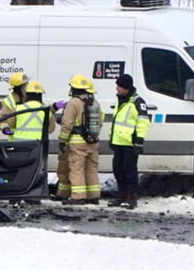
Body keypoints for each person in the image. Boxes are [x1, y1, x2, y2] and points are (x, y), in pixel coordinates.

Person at [58, 74, 102, 205]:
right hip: (93, 141)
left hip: (77, 142)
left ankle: (78, 197)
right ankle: (93, 196)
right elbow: (100, 121)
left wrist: (62, 140)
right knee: (91, 168)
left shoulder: (73, 102)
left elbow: (67, 124)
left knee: (76, 169)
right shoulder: (95, 102)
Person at [108, 73, 150, 209]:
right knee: (118, 170)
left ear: (126, 87)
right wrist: (112, 139)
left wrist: (139, 140)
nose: (116, 88)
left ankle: (131, 198)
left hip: (130, 143)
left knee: (129, 171)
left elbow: (143, 122)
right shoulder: (120, 100)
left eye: (119, 86)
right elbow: (117, 122)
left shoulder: (137, 101)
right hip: (119, 142)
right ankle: (121, 196)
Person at [0, 72, 30, 137]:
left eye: (27, 83)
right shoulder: (9, 101)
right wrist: (5, 129)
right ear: (18, 87)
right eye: (25, 84)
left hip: (33, 139)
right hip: (16, 140)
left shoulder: (31, 97)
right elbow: (1, 121)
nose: (28, 86)